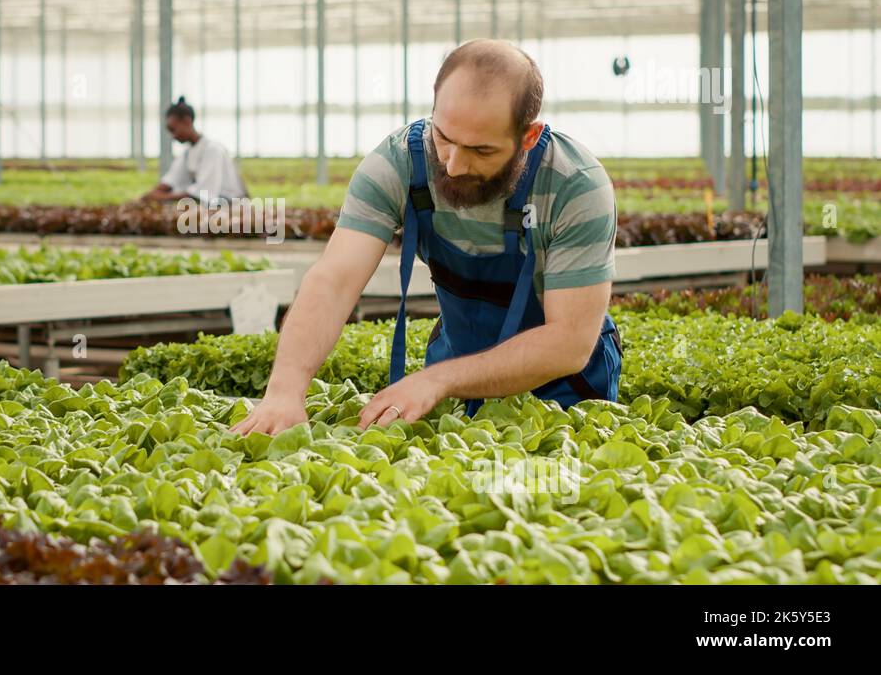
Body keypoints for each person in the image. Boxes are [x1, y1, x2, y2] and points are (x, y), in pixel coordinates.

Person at [231, 39, 622, 436]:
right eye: (444, 138)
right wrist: (284, 391)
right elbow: (333, 281)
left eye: (481, 150)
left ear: (529, 136)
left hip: (565, 391)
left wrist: (438, 380)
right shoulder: (397, 163)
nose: (453, 165)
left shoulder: (576, 186)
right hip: (457, 371)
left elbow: (569, 342)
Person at [139, 97, 248, 204]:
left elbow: (202, 193)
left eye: (173, 129)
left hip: (232, 207)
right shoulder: (187, 153)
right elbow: (169, 181)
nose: (173, 136)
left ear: (187, 121)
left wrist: (162, 197)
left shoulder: (213, 150)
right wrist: (148, 196)